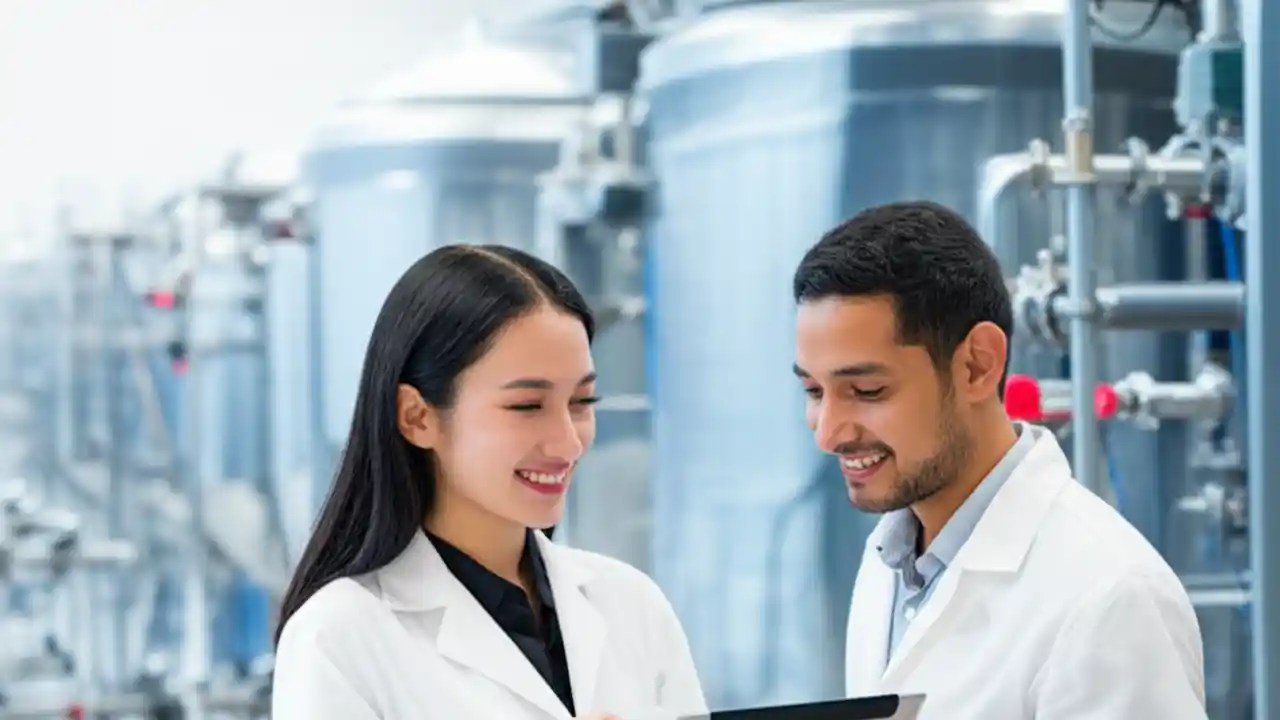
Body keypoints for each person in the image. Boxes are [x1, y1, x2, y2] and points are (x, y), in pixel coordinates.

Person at [790, 201, 1208, 719]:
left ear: (977, 365)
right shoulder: (890, 563)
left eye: (867, 390)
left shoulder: (1111, 597)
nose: (828, 433)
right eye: (813, 390)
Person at [271, 244, 707, 720]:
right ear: (417, 417)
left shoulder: (631, 603)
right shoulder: (338, 636)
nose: (568, 443)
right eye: (527, 406)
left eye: (582, 402)